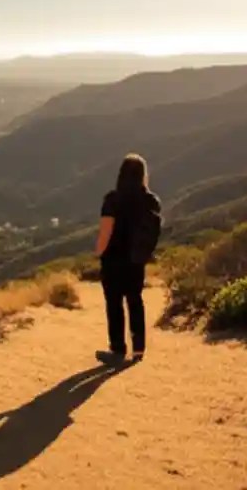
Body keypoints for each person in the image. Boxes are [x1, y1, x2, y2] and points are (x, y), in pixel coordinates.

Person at [93, 153, 161, 364]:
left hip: (113, 260)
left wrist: (98, 252)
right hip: (136, 260)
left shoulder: (112, 199)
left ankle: (118, 350)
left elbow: (106, 231)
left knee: (114, 304)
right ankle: (138, 349)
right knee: (135, 300)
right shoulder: (151, 201)